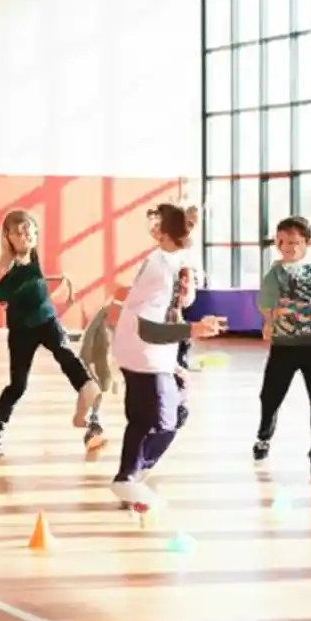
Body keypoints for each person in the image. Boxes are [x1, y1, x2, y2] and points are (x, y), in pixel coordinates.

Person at [109, 204, 223, 511]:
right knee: (158, 420)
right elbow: (148, 328)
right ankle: (128, 477)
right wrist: (193, 329)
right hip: (142, 350)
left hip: (154, 353)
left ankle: (133, 475)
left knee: (171, 412)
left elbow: (171, 310)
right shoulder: (159, 267)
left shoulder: (176, 261)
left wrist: (174, 358)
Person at [0, 210, 99, 456]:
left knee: (68, 358)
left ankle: (88, 409)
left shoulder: (32, 258)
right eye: (20, 231)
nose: (27, 235)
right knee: (18, 385)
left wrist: (58, 285)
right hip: (22, 330)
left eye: (30, 230)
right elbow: (4, 295)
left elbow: (36, 285)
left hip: (47, 321)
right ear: (8, 237)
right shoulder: (8, 265)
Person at [254, 215, 311, 480]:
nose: (289, 247)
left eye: (295, 242)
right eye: (284, 242)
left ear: (306, 244)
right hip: (284, 346)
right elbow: (268, 306)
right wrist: (270, 320)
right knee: (270, 396)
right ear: (278, 243)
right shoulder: (274, 274)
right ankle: (264, 435)